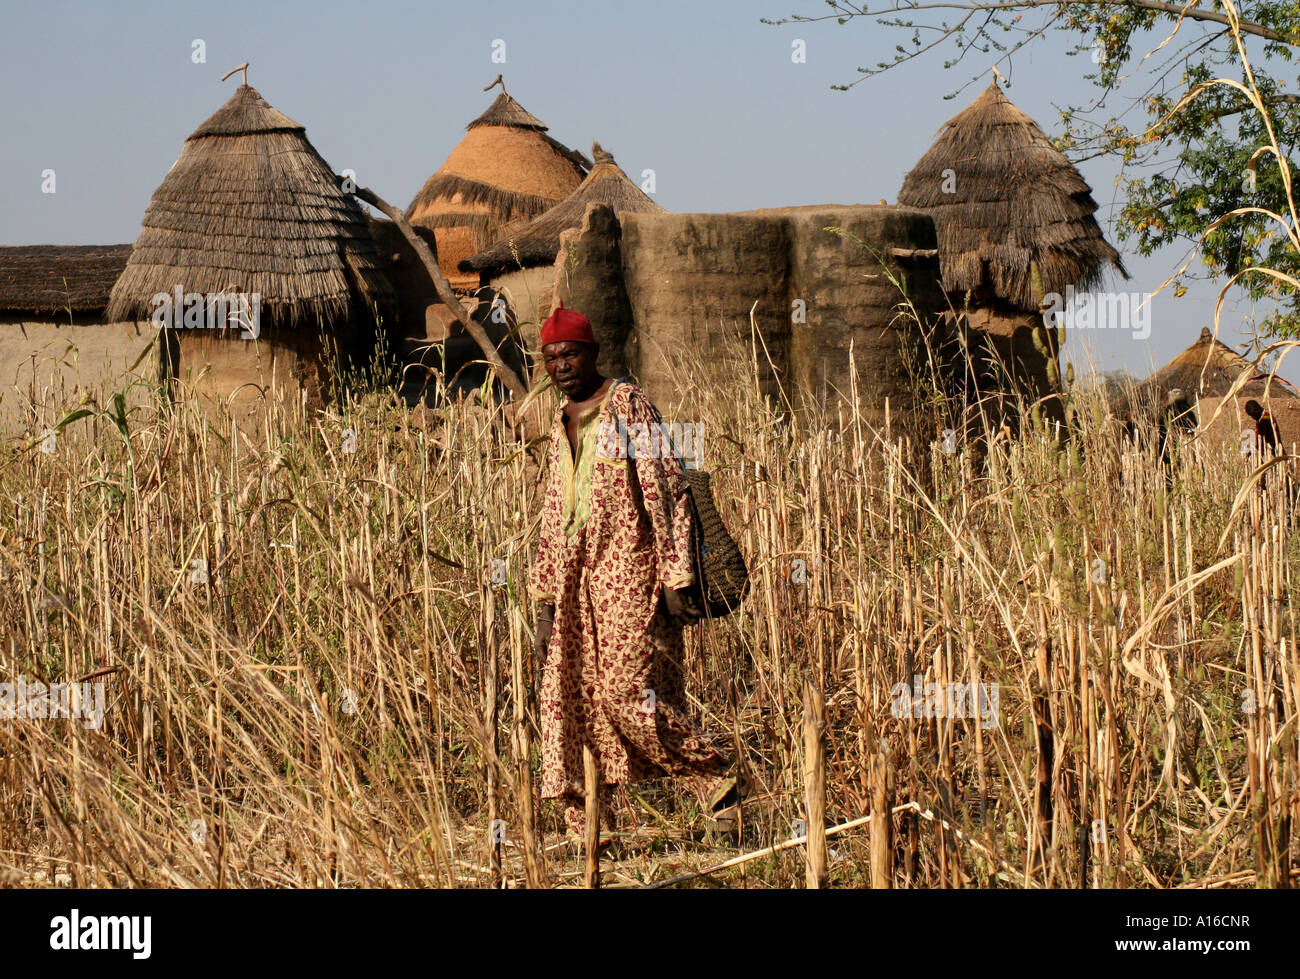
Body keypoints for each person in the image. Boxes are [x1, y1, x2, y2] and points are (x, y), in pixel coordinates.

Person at [528, 303, 740, 842]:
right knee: (568, 695)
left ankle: (715, 780)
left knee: (626, 691)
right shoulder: (562, 422)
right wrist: (546, 600)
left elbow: (665, 485)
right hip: (576, 581)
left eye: (570, 354)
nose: (561, 367)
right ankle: (592, 825)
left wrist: (674, 576)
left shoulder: (627, 405)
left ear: (593, 353)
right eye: (551, 359)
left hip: (630, 569)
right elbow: (555, 511)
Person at [1157, 388, 1197, 486]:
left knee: (1171, 474)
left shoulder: (1166, 412)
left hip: (1169, 448)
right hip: (1186, 448)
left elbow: (1161, 431)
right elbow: (1194, 428)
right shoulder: (1189, 411)